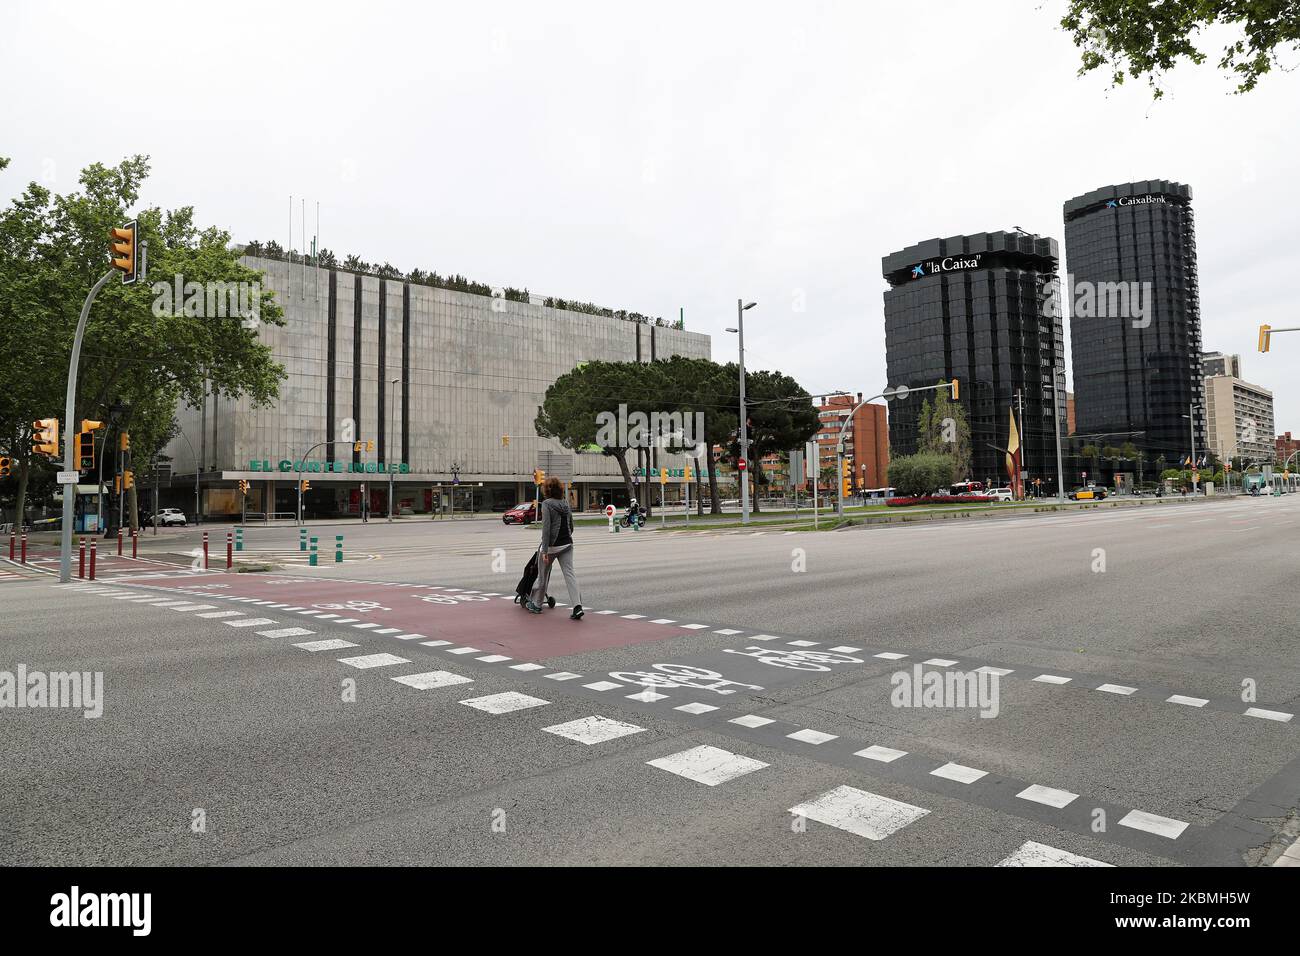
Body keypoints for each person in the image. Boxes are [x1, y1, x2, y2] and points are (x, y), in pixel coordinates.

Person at [527, 476, 583, 619]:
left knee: (542, 576)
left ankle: (537, 605)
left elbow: (546, 529)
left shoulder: (546, 504)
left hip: (551, 546)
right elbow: (571, 525)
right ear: (560, 489)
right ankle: (577, 607)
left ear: (546, 490)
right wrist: (567, 536)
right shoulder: (565, 503)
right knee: (570, 575)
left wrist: (545, 550)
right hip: (567, 544)